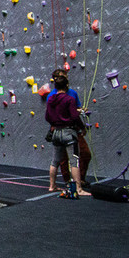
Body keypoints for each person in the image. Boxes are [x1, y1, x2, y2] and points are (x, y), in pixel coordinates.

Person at [43, 69, 91, 198]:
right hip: (68, 132)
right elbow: (75, 116)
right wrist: (82, 127)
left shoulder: (51, 99)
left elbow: (47, 116)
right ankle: (78, 188)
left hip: (56, 132)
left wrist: (55, 122)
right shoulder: (69, 99)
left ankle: (52, 186)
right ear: (66, 85)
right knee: (74, 161)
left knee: (55, 161)